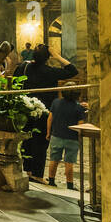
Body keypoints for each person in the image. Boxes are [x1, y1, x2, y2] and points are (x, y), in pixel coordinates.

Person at [17, 44, 78, 179]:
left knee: (27, 139)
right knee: (40, 142)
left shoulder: (23, 67)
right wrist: (56, 56)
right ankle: (37, 174)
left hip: (26, 108)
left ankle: (28, 170)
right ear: (47, 57)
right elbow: (73, 70)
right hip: (44, 111)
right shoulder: (50, 71)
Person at [45, 88, 87, 189]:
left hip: (56, 135)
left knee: (54, 159)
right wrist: (80, 138)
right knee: (69, 162)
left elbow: (50, 118)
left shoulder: (56, 102)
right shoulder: (79, 107)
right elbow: (80, 124)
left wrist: (48, 132)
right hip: (72, 138)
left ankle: (51, 180)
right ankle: (70, 184)